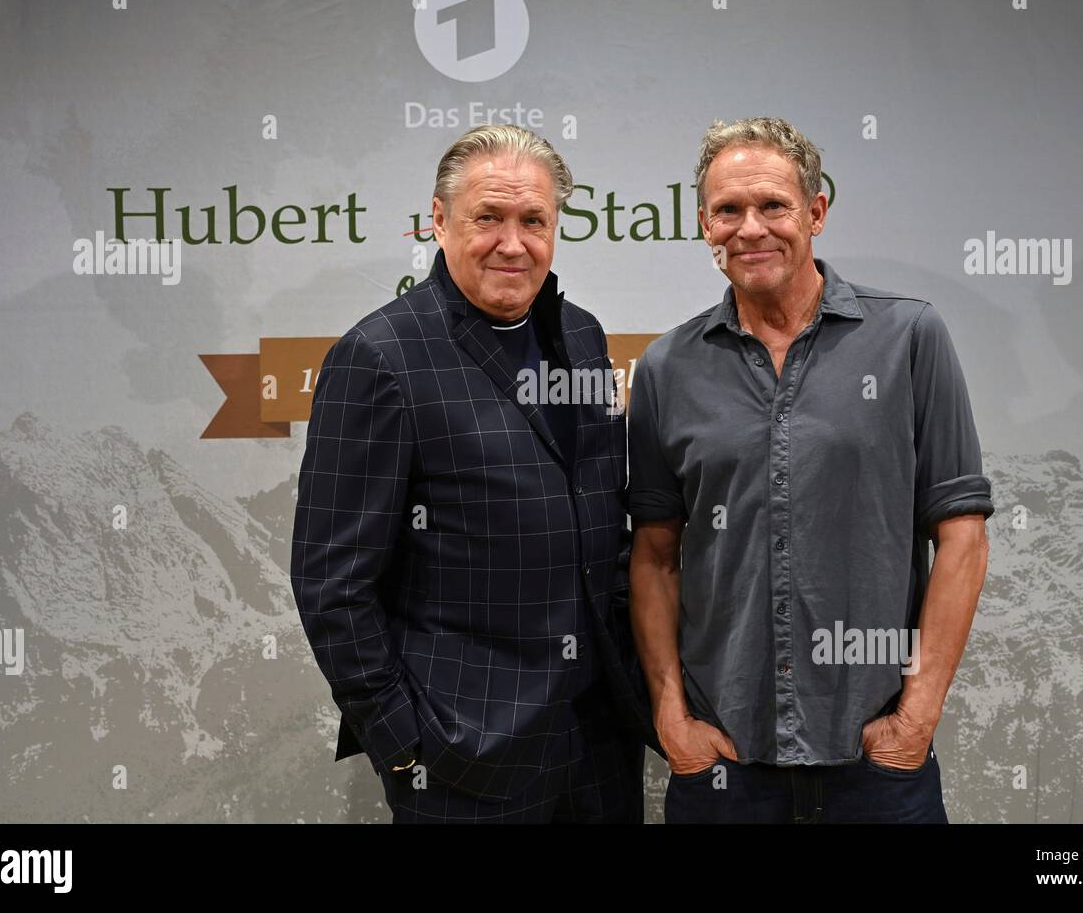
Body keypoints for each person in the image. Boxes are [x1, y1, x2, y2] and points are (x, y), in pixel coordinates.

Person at [628, 117, 993, 823]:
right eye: (728, 210)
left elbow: (963, 538)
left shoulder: (909, 338)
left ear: (816, 211)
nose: (750, 228)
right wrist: (672, 720)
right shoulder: (669, 368)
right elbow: (654, 555)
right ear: (704, 223)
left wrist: (916, 718)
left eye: (773, 206)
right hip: (724, 765)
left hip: (876, 761)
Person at [290, 124, 654, 823]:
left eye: (533, 221)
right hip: (463, 756)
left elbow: (606, 524)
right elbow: (331, 581)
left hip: (600, 746)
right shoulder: (379, 357)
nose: (512, 244)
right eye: (488, 218)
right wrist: (403, 744)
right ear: (438, 219)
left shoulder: (582, 335)